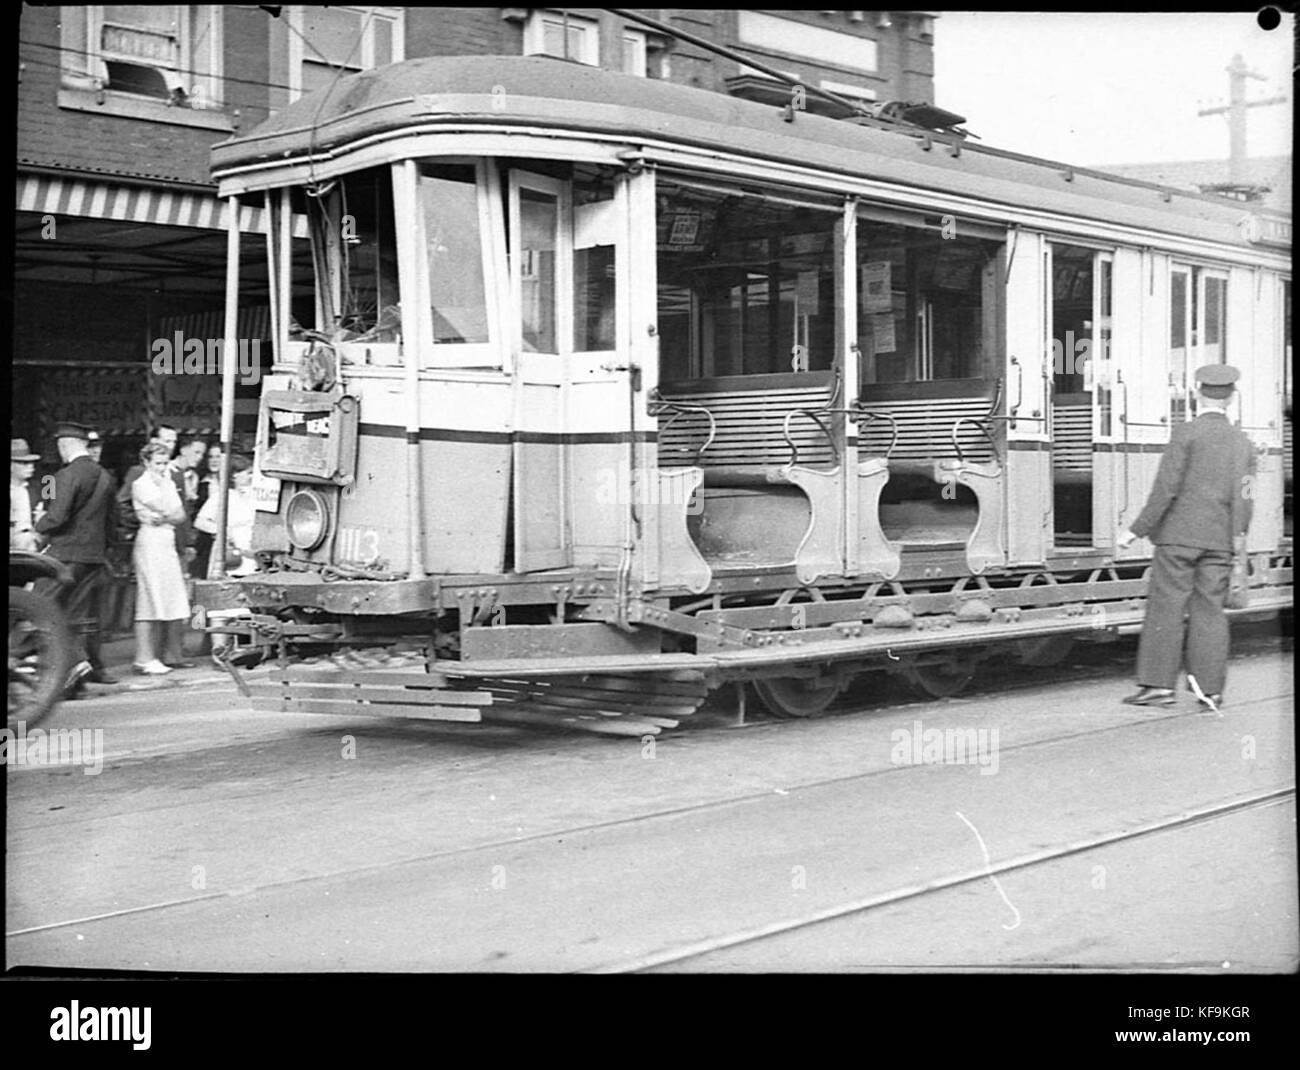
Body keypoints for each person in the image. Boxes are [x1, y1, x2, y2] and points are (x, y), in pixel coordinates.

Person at [1117, 364, 1256, 710]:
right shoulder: (1244, 443)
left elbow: (1166, 489)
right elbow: (1246, 497)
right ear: (1232, 398)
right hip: (1221, 540)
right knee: (1210, 611)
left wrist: (1136, 530)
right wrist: (1238, 539)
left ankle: (1159, 687)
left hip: (1179, 539)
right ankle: (1210, 691)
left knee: (1166, 608)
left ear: (1197, 394)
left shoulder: (1185, 433)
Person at [32, 422, 117, 690]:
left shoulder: (63, 475)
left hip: (65, 553)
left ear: (63, 445)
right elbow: (112, 522)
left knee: (37, 606)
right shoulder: (105, 475)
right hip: (93, 557)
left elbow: (56, 516)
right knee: (72, 615)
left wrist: (38, 526)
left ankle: (76, 661)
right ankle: (73, 682)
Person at [130, 442, 192, 674]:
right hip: (150, 543)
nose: (162, 467)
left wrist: (167, 515)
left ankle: (171, 654)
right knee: (150, 598)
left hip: (166, 542)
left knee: (172, 597)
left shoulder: (167, 482)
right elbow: (169, 508)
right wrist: (169, 513)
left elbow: (180, 515)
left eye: (165, 463)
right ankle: (144, 657)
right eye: (157, 463)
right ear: (146, 462)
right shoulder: (141, 484)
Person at [195, 453, 257, 576]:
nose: (251, 477)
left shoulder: (256, 495)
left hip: (251, 547)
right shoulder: (221, 496)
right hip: (229, 548)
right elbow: (200, 522)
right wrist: (221, 530)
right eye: (248, 473)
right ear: (234, 475)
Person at [10, 437, 44, 551]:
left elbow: (50, 505)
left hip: (29, 542)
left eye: (32, 463)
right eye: (24, 463)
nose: (31, 467)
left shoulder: (38, 487)